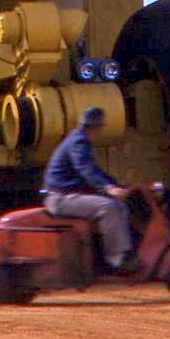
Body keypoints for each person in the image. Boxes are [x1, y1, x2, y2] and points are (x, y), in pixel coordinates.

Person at [42, 106, 140, 274]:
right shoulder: (79, 142)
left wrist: (116, 185)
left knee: (119, 207)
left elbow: (94, 170)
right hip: (61, 199)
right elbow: (85, 169)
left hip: (65, 197)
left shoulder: (77, 139)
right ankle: (117, 261)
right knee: (109, 207)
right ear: (95, 127)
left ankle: (123, 254)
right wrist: (108, 188)